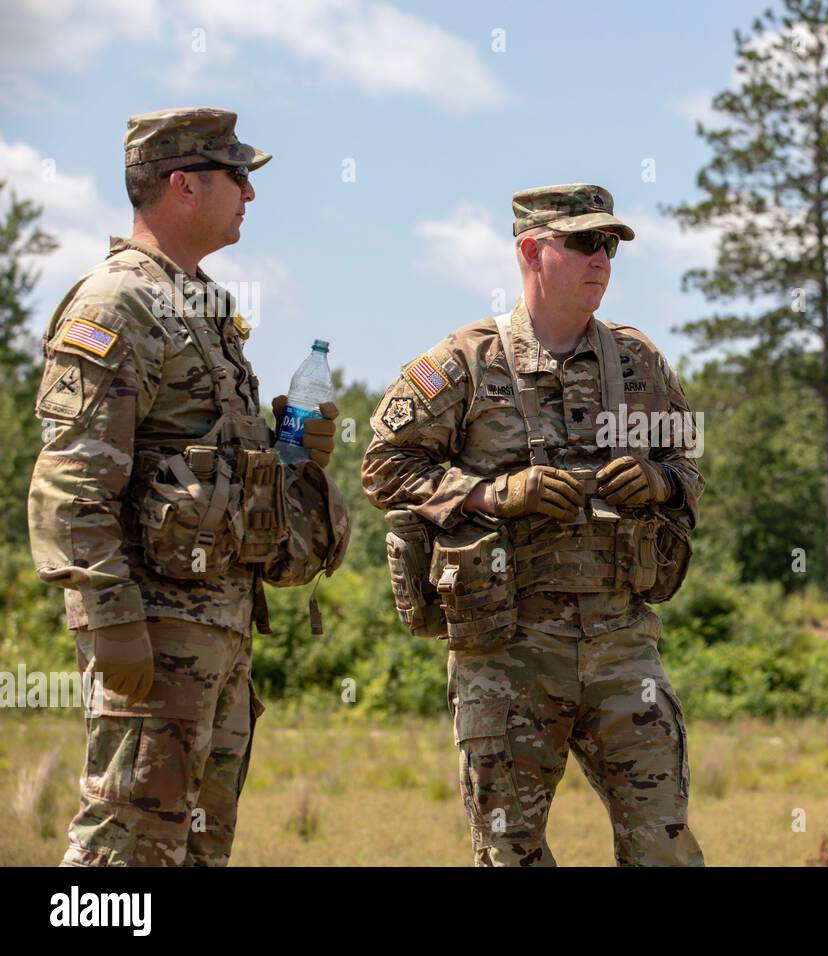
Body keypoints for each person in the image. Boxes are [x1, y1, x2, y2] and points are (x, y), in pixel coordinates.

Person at [28, 107, 349, 866]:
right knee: (126, 843)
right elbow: (72, 480)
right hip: (155, 626)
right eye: (237, 175)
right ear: (183, 185)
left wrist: (286, 450)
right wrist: (110, 619)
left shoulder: (200, 304)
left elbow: (199, 457)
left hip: (217, 625)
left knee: (198, 847)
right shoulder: (119, 303)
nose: (250, 193)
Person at [363, 184, 705, 866]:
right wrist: (493, 494)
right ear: (530, 251)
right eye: (583, 242)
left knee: (665, 845)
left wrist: (659, 481)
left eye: (609, 246)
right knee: (509, 852)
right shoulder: (466, 360)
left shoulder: (639, 361)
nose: (600, 258)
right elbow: (383, 468)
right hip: (506, 646)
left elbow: (688, 468)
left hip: (621, 641)